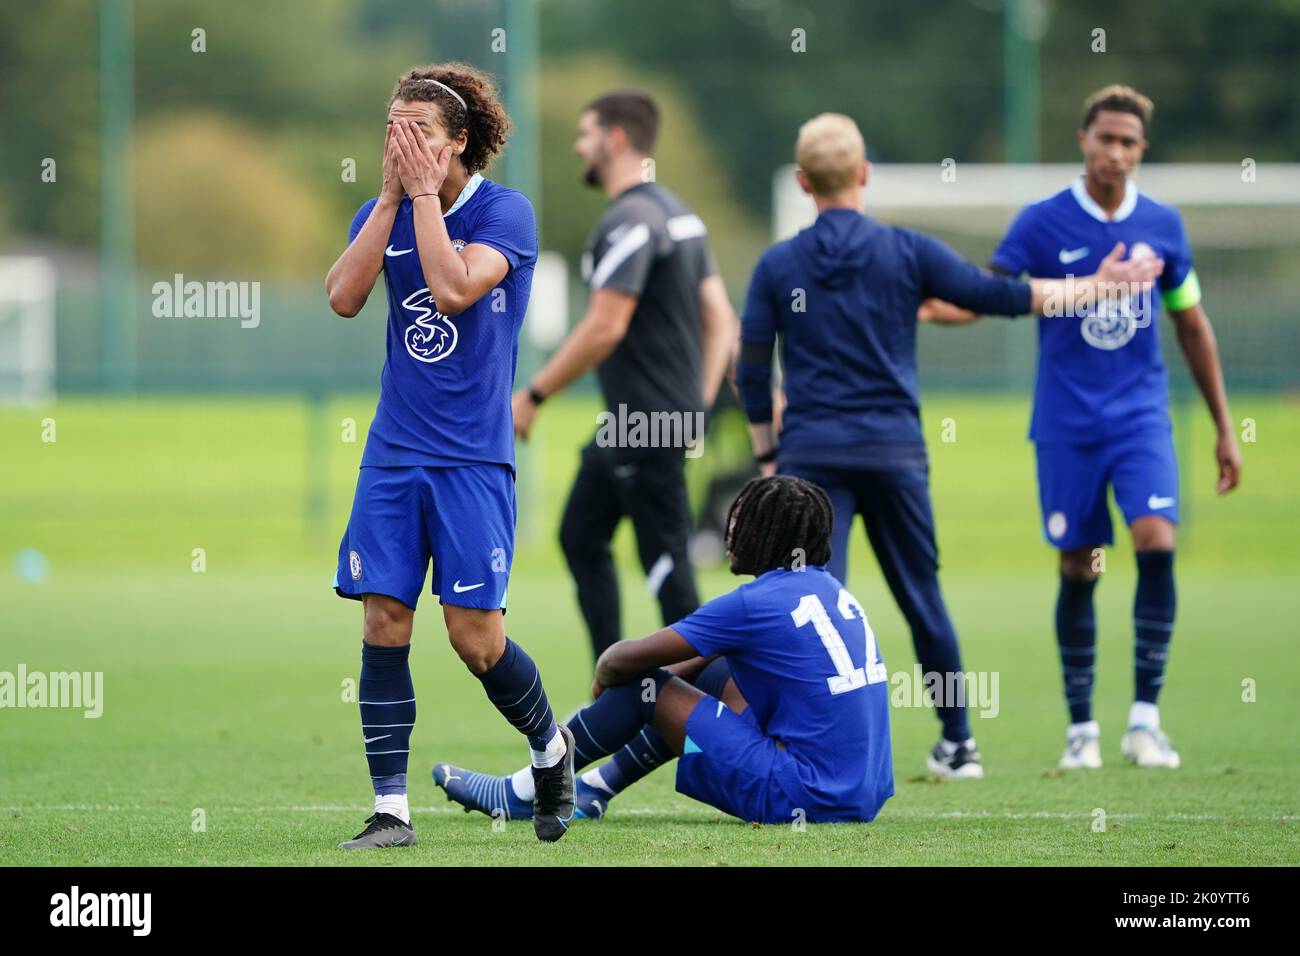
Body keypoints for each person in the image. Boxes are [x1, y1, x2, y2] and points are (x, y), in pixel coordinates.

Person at [735, 113, 1165, 779]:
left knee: (808, 602)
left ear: (802, 182)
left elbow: (753, 371)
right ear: (864, 174)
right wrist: (1099, 287)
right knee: (922, 596)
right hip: (895, 452)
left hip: (812, 459)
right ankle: (959, 743)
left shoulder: (777, 265)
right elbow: (1004, 296)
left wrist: (768, 455)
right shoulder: (909, 251)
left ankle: (797, 742)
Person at [919, 85, 1241, 770]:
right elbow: (985, 295)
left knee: (1156, 539)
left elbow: (1189, 321)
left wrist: (1224, 426)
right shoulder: (1041, 224)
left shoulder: (1164, 226)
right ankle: (1081, 729)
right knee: (1081, 566)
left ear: (1142, 150)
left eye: (1129, 143)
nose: (1116, 153)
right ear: (1083, 140)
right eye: (1106, 139)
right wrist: (923, 307)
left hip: (1140, 419)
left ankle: (1145, 721)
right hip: (1066, 426)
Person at [324, 63, 575, 847]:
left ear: (460, 140)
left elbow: (457, 286)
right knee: (384, 621)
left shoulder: (508, 213)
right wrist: (396, 197)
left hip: (472, 460)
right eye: (391, 126)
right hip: (394, 454)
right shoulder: (384, 207)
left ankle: (550, 751)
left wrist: (424, 196)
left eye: (419, 130)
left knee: (476, 640)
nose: (400, 141)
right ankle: (391, 810)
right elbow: (342, 295)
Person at [433, 475, 895, 826]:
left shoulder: (754, 602)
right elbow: (704, 658)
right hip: (859, 792)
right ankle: (595, 788)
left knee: (648, 687)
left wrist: (614, 683)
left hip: (803, 794)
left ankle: (524, 790)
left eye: (741, 521)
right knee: (708, 670)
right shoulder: (830, 588)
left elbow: (619, 660)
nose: (730, 531)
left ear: (766, 535)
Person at [511, 89, 737, 663]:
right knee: (581, 534)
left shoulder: (628, 222)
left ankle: (714, 709)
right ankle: (613, 678)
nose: (577, 146)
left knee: (667, 565)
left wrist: (534, 395)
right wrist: (699, 407)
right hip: (639, 423)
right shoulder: (680, 215)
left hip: (645, 422)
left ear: (615, 139)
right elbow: (722, 321)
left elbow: (605, 326)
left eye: (585, 134)